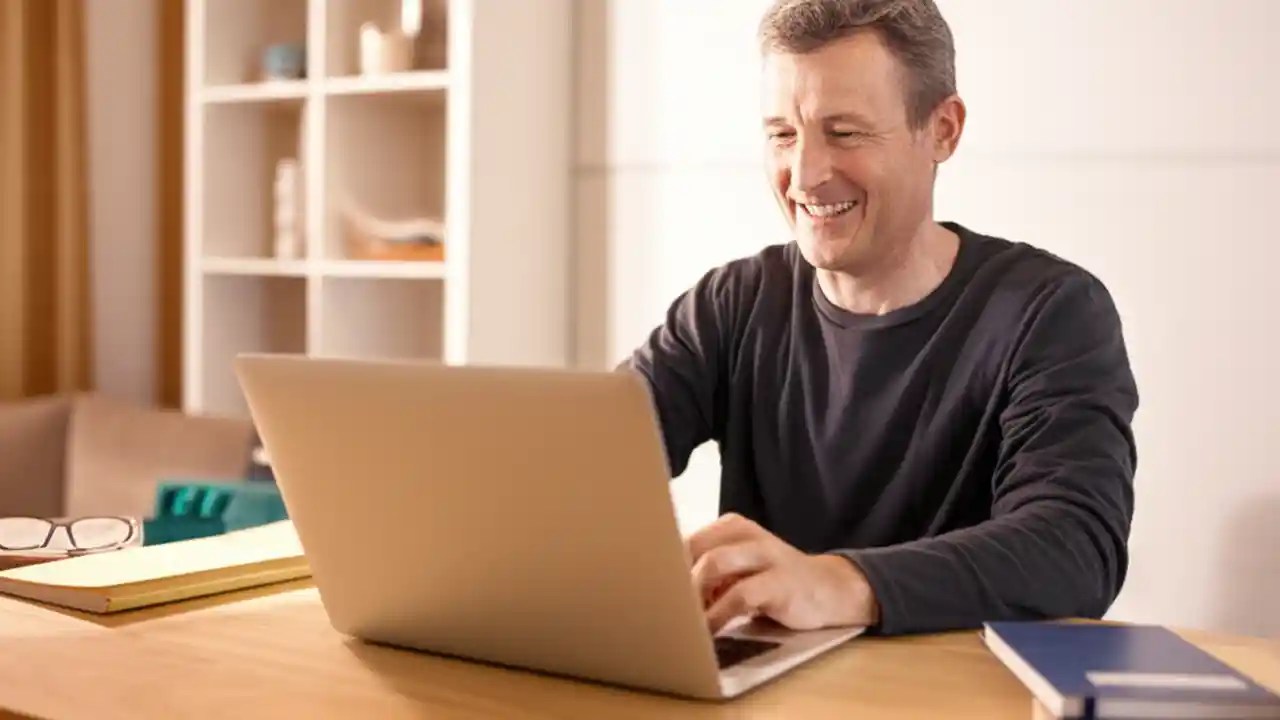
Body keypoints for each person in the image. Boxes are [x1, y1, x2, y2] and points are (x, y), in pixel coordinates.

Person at [623, 0, 1139, 636]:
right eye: (783, 134)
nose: (805, 175)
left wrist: (843, 583)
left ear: (942, 130)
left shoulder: (1050, 313)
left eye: (844, 133)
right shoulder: (734, 302)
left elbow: (1075, 549)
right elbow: (591, 459)